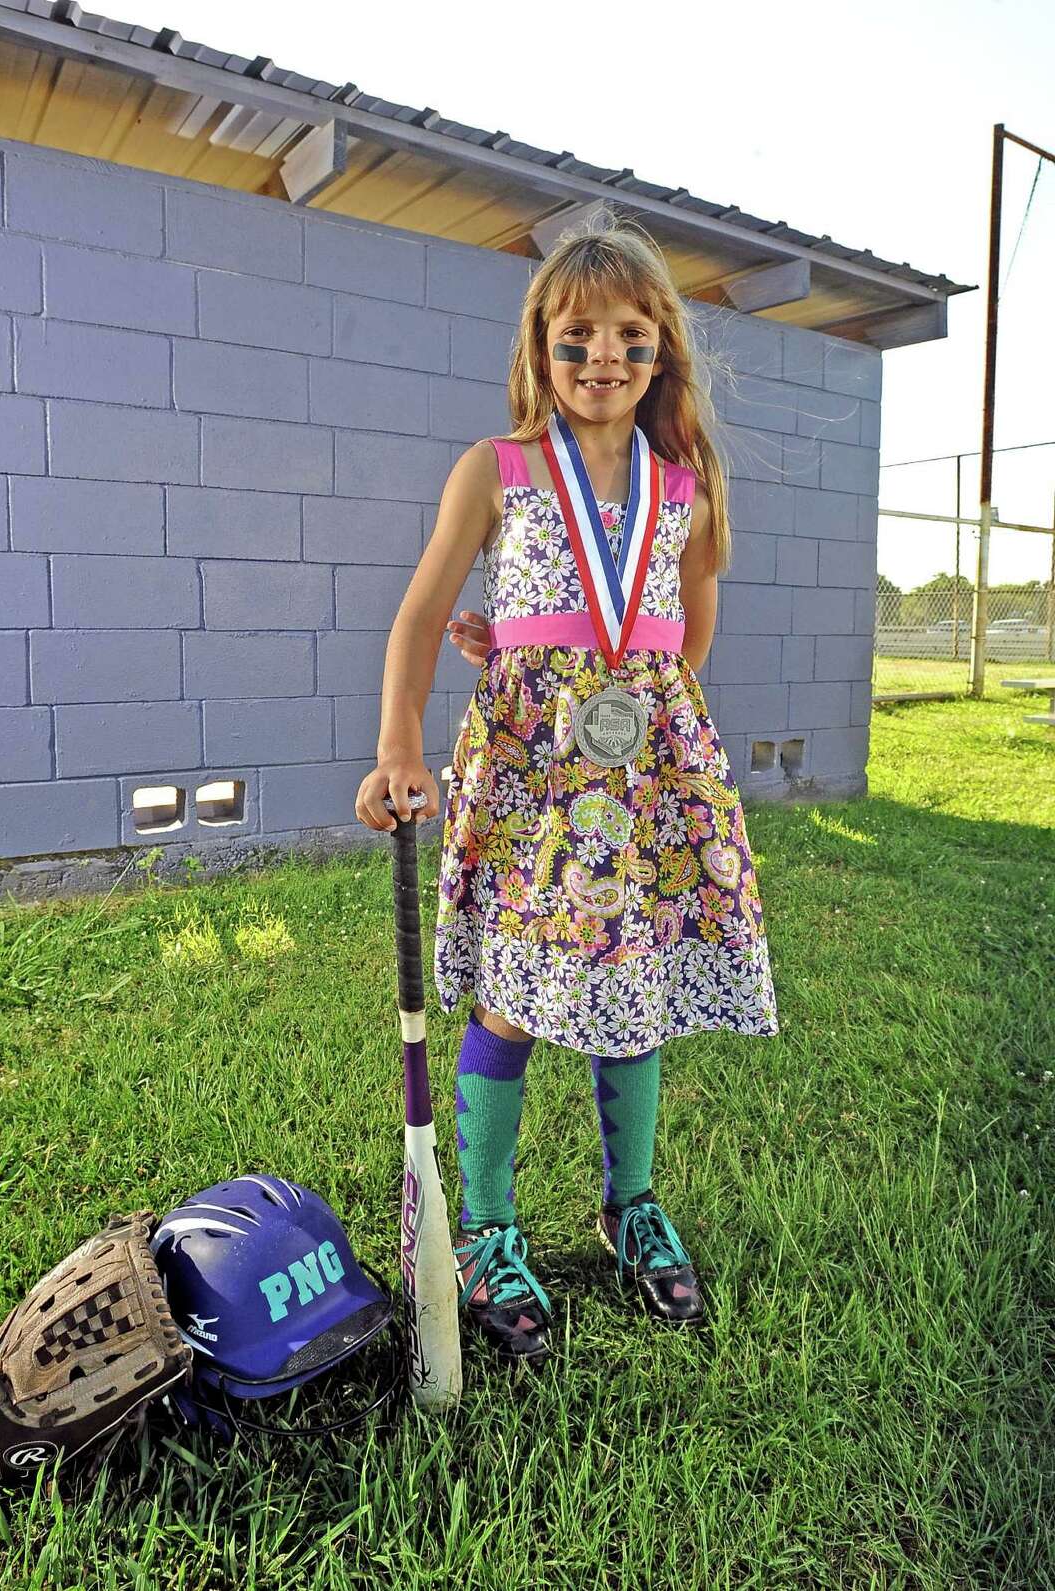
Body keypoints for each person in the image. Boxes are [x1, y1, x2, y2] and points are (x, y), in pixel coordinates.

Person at [354, 218, 779, 1370]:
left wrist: (617, 681)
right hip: (534, 785)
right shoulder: (495, 469)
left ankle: (626, 1202)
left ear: (662, 352)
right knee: (513, 995)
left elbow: (685, 636)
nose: (603, 355)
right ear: (540, 347)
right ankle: (487, 1226)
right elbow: (413, 618)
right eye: (576, 333)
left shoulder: (685, 488)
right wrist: (404, 743)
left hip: (639, 786)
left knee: (629, 991)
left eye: (631, 336)